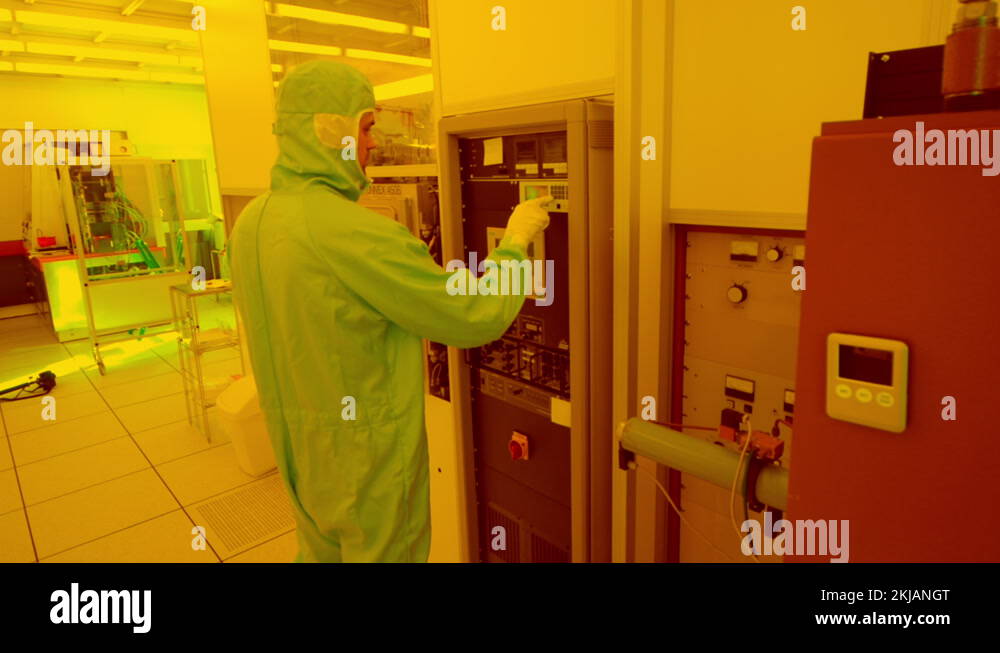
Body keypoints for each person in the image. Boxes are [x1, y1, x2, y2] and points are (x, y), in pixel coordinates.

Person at [228, 61, 552, 562]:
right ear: (328, 130)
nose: (374, 143)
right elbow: (472, 316)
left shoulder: (253, 221)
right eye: (366, 127)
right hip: (366, 463)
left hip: (303, 454)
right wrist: (514, 244)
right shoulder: (351, 232)